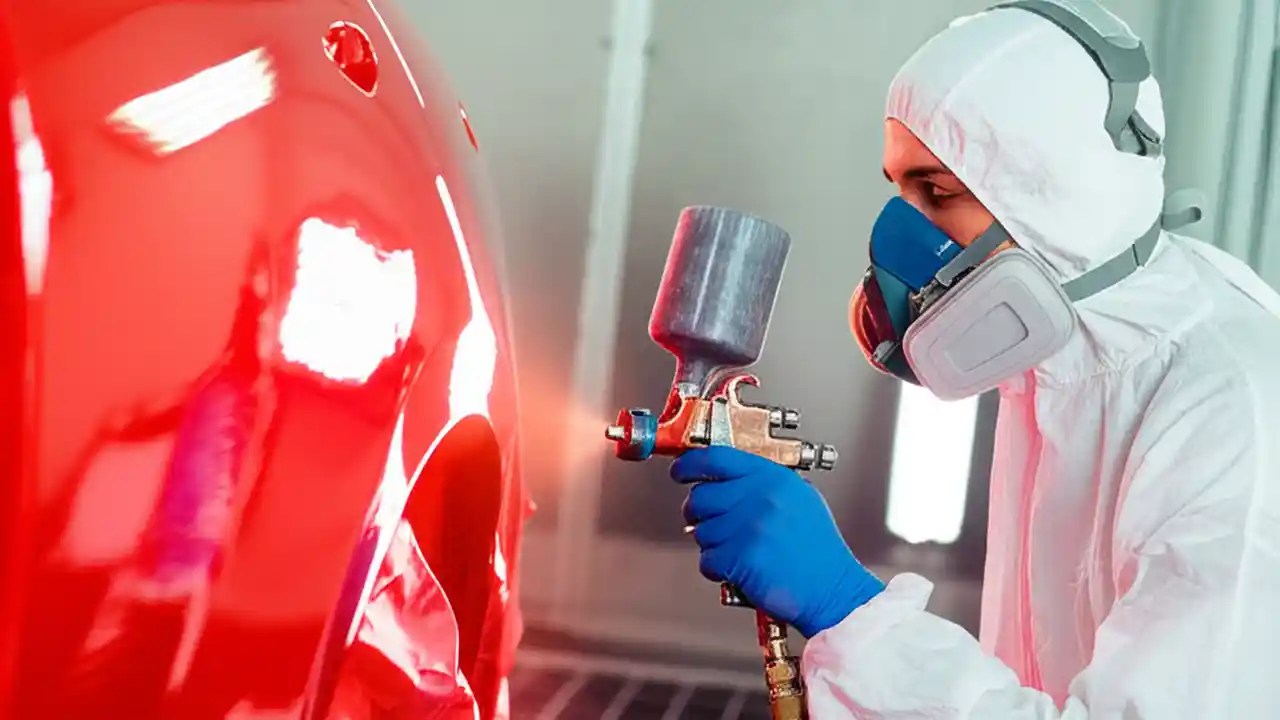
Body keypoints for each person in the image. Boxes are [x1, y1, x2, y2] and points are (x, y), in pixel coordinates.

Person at [673, 1, 1280, 717]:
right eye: (898, 189)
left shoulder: (1230, 415)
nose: (904, 238)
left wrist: (848, 613)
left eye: (937, 193)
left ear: (1051, 196)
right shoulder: (1069, 367)